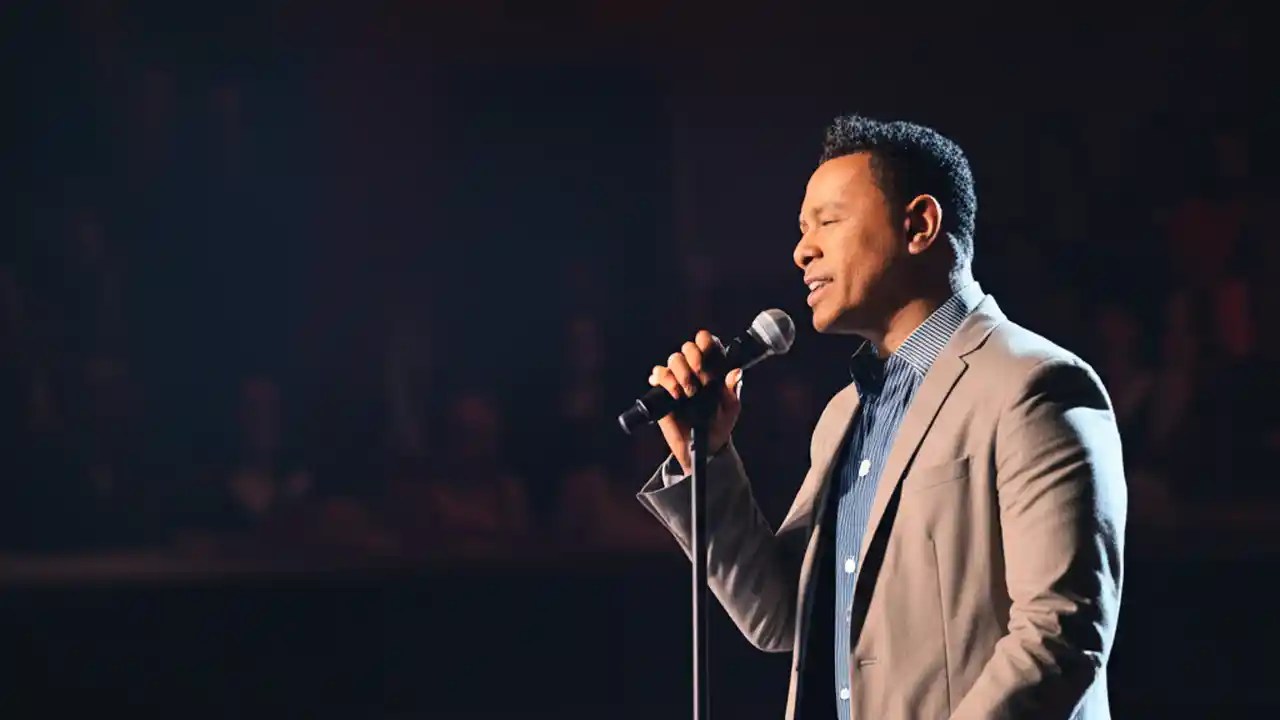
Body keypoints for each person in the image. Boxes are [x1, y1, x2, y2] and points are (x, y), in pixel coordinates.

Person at [635, 114, 1127, 719]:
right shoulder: (844, 414)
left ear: (919, 225)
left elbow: (1059, 634)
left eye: (829, 221)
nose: (802, 250)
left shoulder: (1034, 385)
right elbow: (780, 616)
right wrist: (706, 454)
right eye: (802, 229)